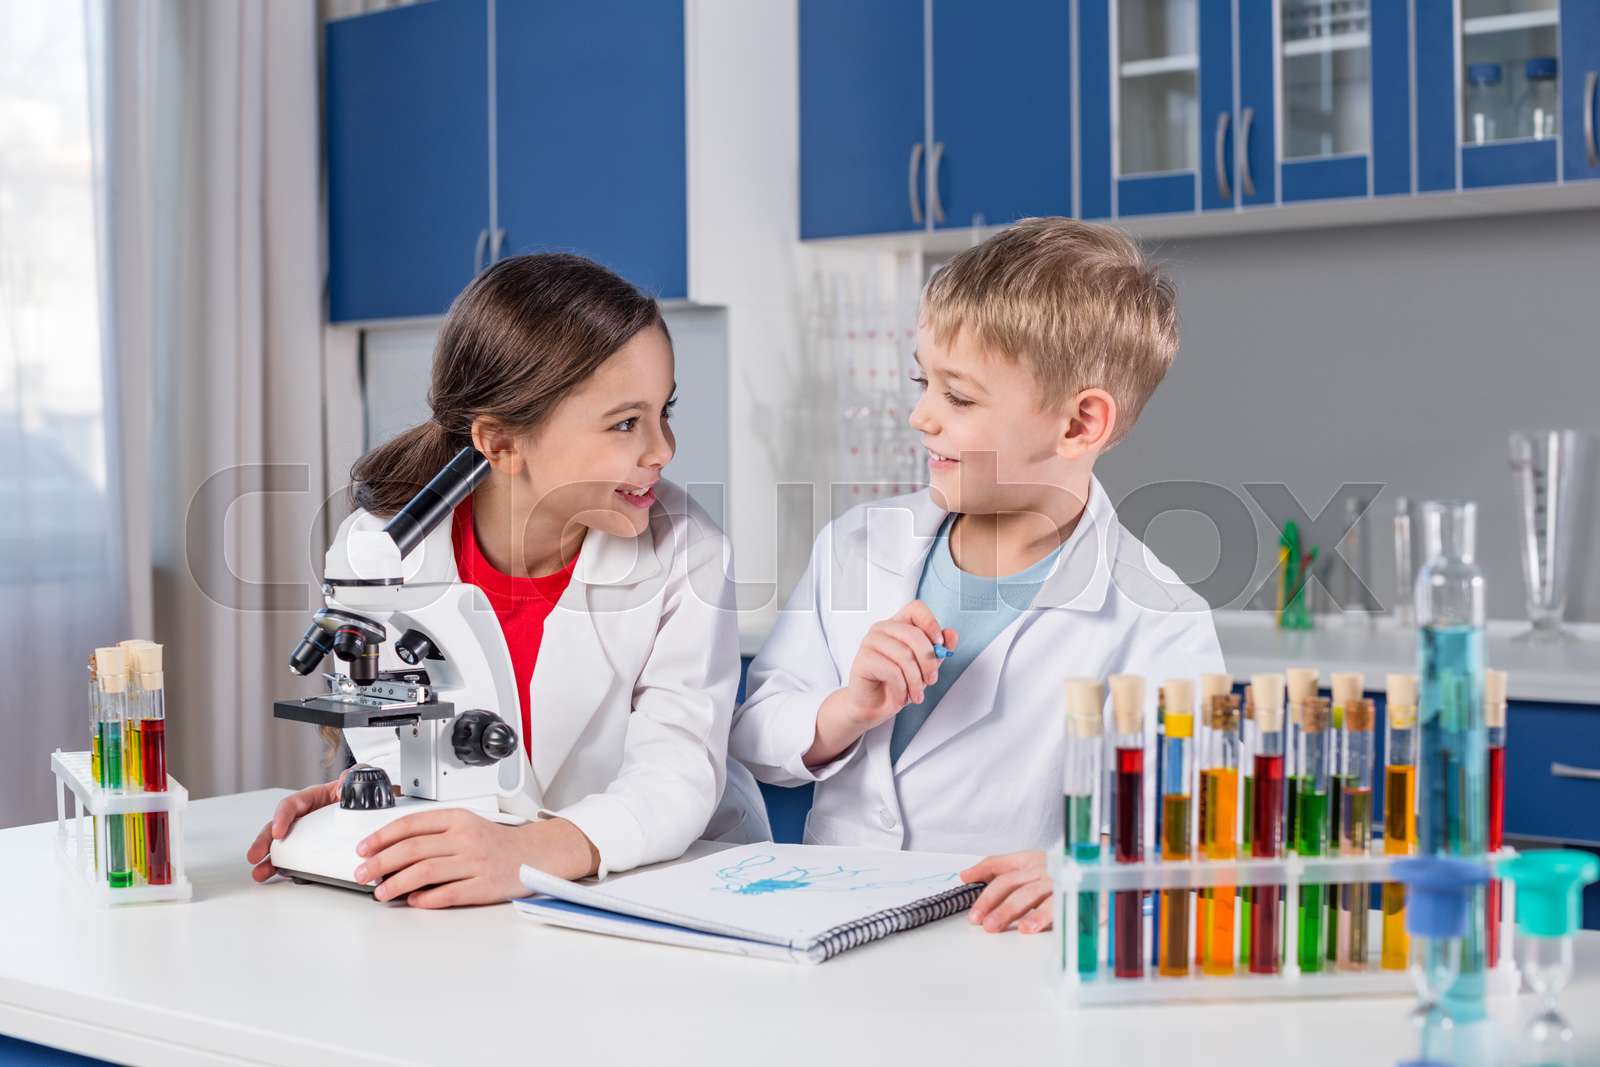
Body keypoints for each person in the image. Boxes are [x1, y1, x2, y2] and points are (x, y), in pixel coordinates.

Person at [731, 218, 1224, 933]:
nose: (920, 416)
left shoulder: (1158, 619)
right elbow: (755, 737)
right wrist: (845, 711)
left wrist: (1089, 871)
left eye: (958, 397)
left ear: (1080, 424)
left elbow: (1193, 830)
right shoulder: (857, 546)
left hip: (995, 948)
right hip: (825, 928)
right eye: (922, 381)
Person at [246, 253, 768, 907]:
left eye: (665, 411)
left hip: (670, 883)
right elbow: (393, 741)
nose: (663, 449)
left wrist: (527, 852)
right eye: (625, 423)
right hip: (497, 899)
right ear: (499, 443)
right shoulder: (379, 551)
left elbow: (675, 775)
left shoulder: (687, 553)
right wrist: (374, 804)